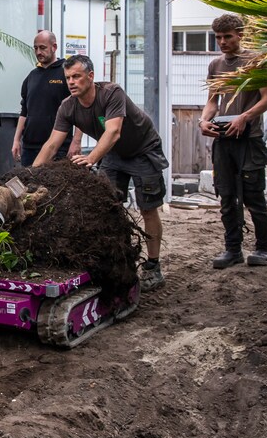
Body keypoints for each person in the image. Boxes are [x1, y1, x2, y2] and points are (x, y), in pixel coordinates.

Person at [33, 54, 168, 291]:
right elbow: (52, 145)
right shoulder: (67, 107)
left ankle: (153, 266)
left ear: (91, 76)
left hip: (143, 150)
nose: (72, 82)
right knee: (107, 205)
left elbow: (113, 131)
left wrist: (91, 158)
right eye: (68, 78)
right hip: (114, 154)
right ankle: (119, 260)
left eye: (76, 76)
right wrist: (30, 177)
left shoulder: (111, 93)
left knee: (148, 208)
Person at [200, 14, 267, 268]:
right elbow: (213, 101)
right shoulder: (215, 65)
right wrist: (203, 120)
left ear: (240, 35)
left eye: (227, 37)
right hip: (224, 139)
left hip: (250, 139)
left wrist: (245, 117)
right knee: (226, 196)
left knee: (254, 196)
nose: (222, 42)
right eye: (218, 37)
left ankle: (265, 249)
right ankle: (233, 250)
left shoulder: (256, 60)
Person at [11, 30, 82, 166]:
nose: (38, 52)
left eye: (42, 47)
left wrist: (76, 141)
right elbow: (24, 111)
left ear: (54, 47)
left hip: (58, 148)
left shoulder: (66, 74)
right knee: (28, 185)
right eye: (36, 48)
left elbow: (81, 108)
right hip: (30, 148)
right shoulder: (31, 76)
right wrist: (16, 140)